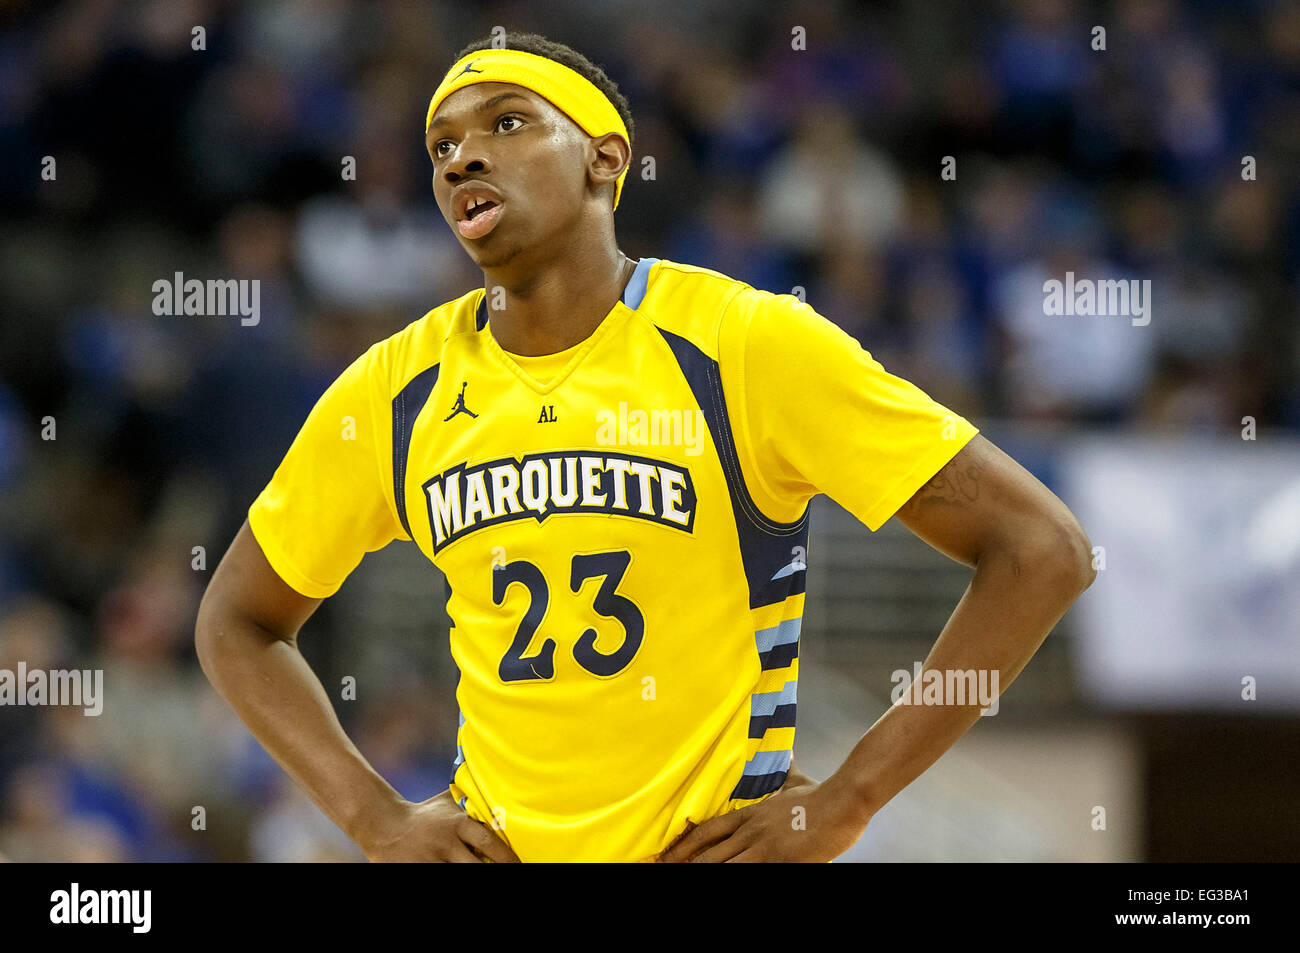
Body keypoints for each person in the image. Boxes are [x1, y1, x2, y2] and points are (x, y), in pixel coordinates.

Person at [195, 32, 1096, 863]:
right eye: (441, 147)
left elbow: (1041, 549)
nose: (462, 155)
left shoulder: (747, 344)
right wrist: (374, 816)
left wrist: (853, 796)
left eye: (507, 123)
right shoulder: (394, 391)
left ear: (605, 156)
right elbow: (237, 621)